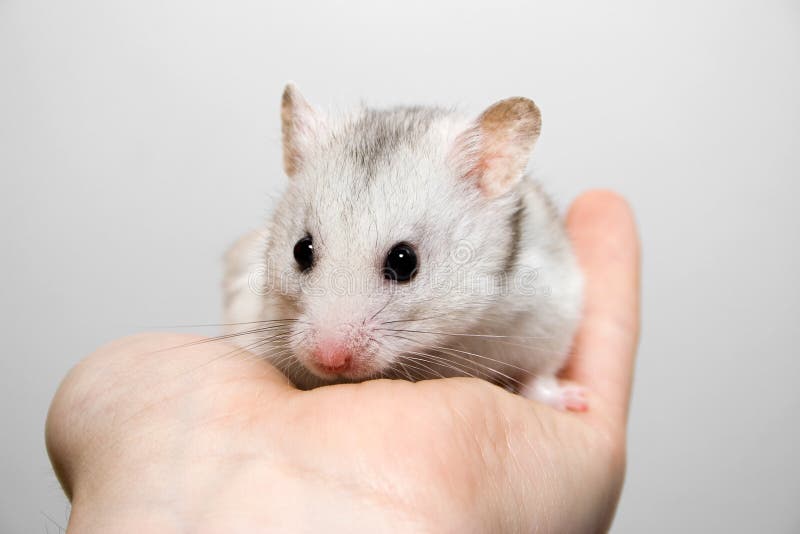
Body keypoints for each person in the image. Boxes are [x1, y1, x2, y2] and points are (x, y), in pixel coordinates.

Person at [45, 190, 640, 532]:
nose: (330, 350)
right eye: (305, 254)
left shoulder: (528, 272)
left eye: (402, 264)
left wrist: (534, 377)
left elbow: (558, 307)